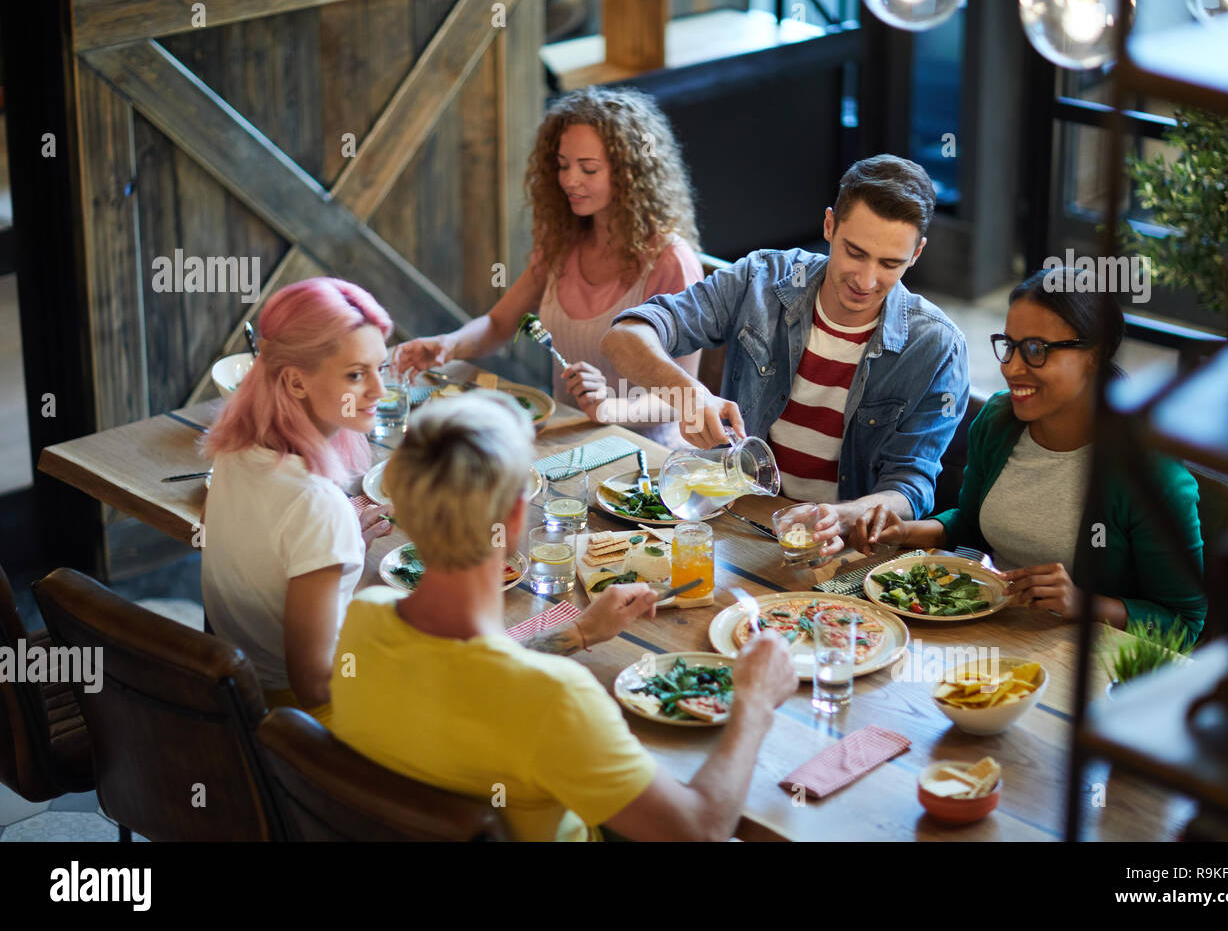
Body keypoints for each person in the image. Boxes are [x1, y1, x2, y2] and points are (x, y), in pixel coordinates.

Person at [329, 392, 799, 841]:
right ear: (516, 517)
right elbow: (700, 830)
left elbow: (468, 678)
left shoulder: (362, 618)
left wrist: (578, 632)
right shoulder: (555, 701)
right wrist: (754, 704)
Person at [600, 154, 969, 553]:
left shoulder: (938, 348)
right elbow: (623, 338)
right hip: (733, 523)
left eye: (890, 264)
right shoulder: (761, 280)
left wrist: (842, 516)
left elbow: (909, 487)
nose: (866, 280)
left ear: (916, 254)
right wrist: (689, 396)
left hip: (838, 552)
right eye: (856, 253)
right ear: (829, 225)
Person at [848, 267, 1206, 641]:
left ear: (1094, 355)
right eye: (1009, 345)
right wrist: (905, 531)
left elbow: (1185, 623)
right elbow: (970, 526)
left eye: (1037, 350)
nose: (1011, 367)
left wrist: (1083, 603)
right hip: (991, 633)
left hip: (1080, 667)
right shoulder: (999, 420)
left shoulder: (1150, 473)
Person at [392, 86, 703, 446]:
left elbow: (684, 395)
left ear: (631, 171)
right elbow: (498, 325)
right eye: (562, 165)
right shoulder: (562, 241)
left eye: (588, 168)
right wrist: (449, 345)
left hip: (643, 454)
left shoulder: (670, 261)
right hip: (567, 438)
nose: (570, 180)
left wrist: (611, 408)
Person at [200, 278, 396, 721]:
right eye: (355, 374)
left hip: (237, 704)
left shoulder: (235, 451)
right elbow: (314, 685)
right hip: (301, 731)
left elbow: (264, 559)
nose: (379, 391)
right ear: (295, 382)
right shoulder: (318, 507)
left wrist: (333, 558)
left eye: (380, 367)